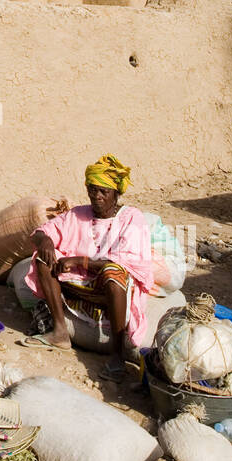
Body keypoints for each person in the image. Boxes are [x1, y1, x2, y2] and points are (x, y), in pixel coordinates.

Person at [20, 154, 154, 381]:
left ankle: (117, 356)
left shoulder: (132, 217)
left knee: (114, 274)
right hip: (78, 284)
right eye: (92, 190)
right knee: (44, 259)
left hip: (111, 286)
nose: (97, 196)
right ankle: (60, 332)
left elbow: (128, 260)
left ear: (116, 193)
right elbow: (45, 230)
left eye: (104, 191)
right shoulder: (77, 214)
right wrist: (45, 241)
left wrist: (80, 262)